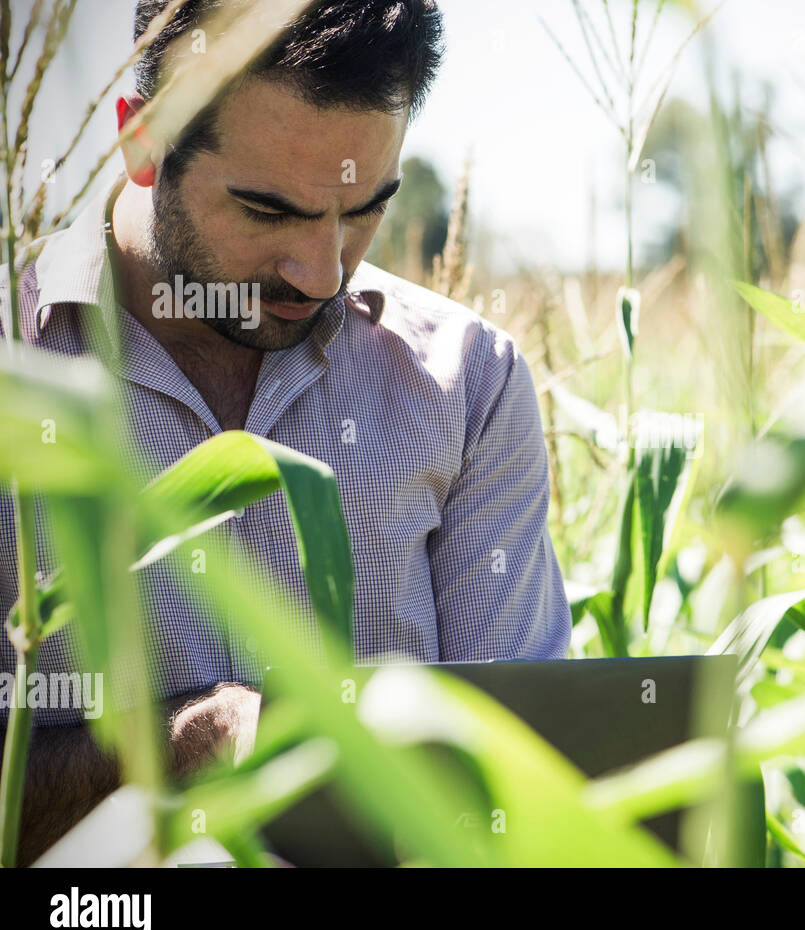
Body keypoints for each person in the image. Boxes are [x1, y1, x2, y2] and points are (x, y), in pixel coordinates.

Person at [0, 0, 570, 866]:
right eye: (267, 212)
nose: (320, 272)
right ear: (142, 140)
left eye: (364, 209)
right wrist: (187, 746)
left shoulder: (469, 384)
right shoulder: (18, 368)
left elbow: (530, 799)